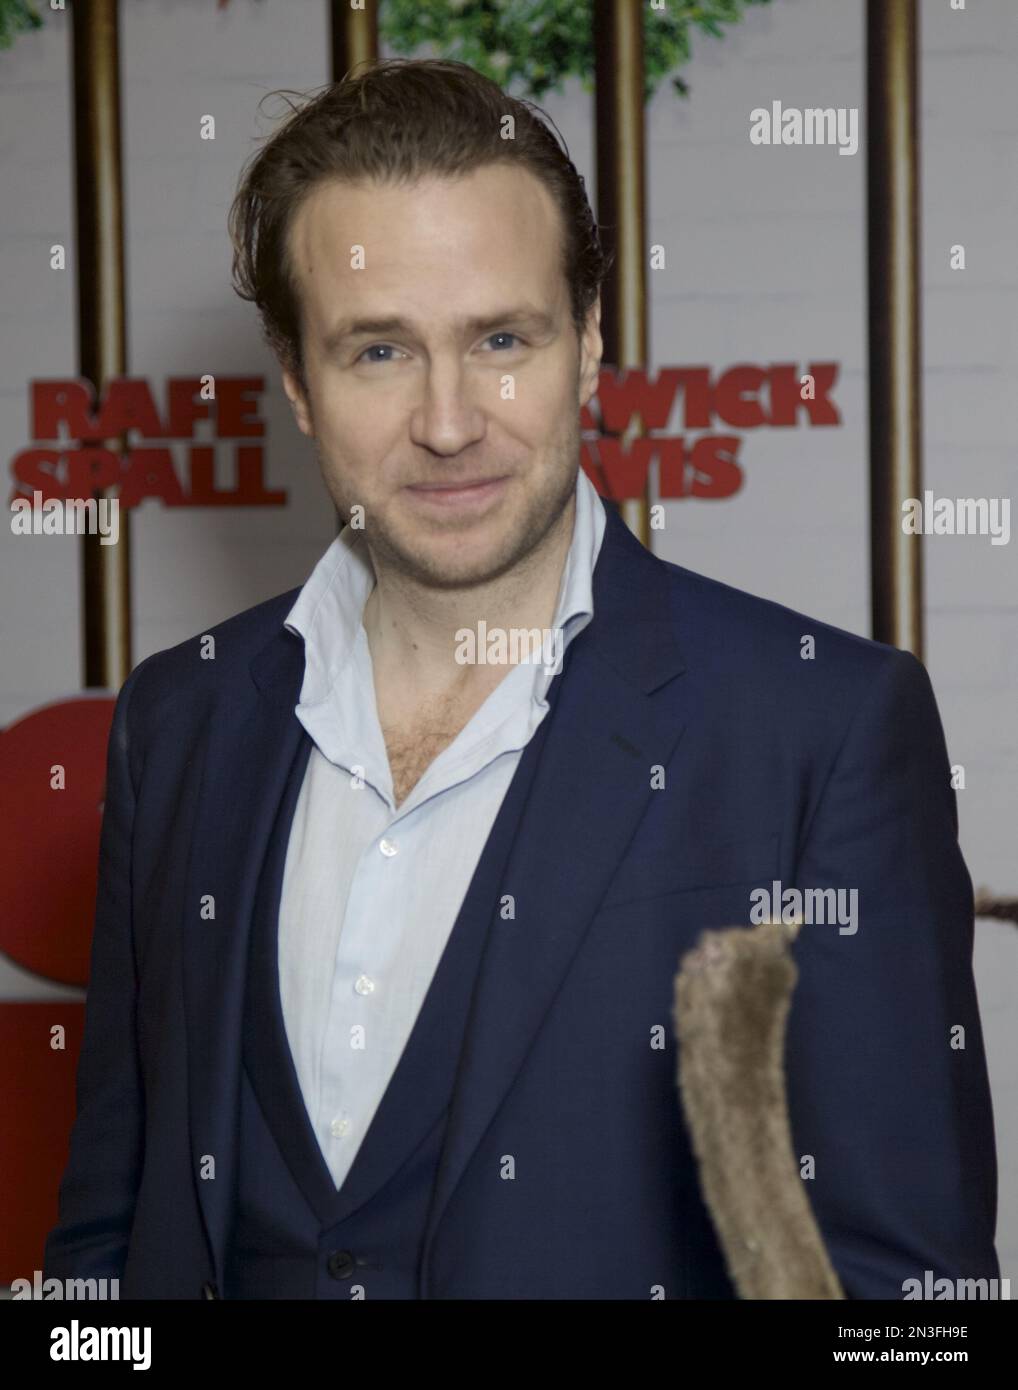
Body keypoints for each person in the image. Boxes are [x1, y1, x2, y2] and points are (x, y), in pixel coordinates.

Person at [44, 58, 998, 1300]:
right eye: (378, 351)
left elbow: (900, 1299)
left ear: (590, 340)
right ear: (295, 379)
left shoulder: (818, 726)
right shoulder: (178, 721)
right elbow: (106, 1248)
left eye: (501, 338)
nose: (449, 422)